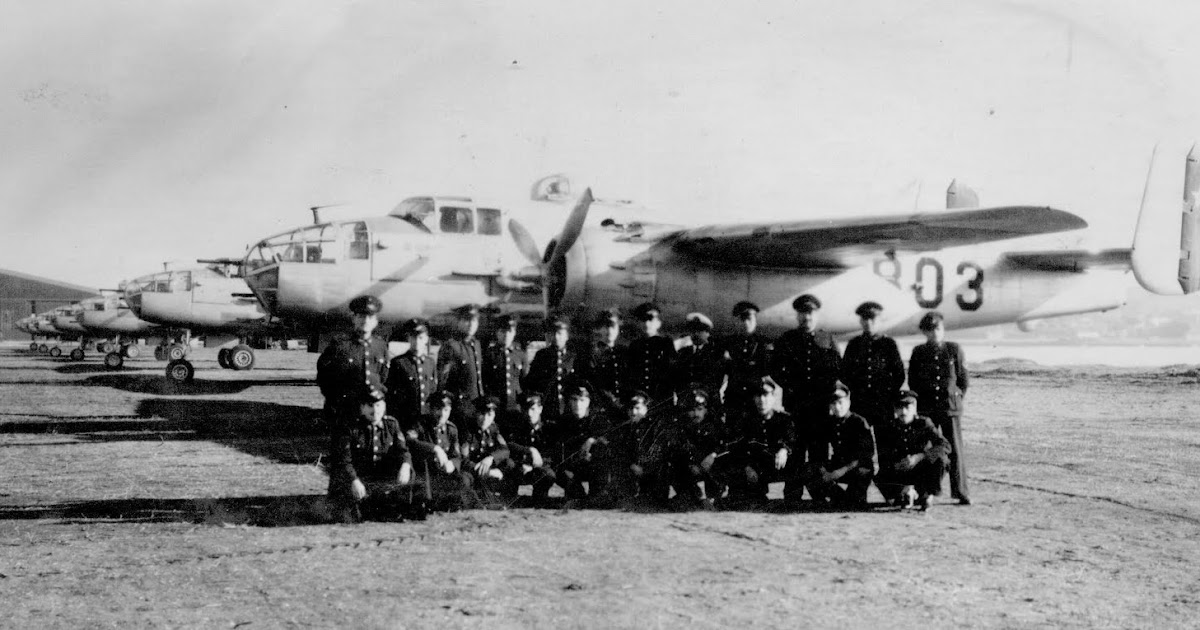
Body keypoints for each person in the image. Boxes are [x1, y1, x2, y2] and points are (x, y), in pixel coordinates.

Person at [326, 379, 414, 523]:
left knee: (408, 473)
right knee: (350, 517)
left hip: (378, 478)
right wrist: (354, 480)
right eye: (370, 406)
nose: (375, 410)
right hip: (359, 479)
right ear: (362, 407)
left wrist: (405, 466)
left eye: (379, 405)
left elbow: (403, 451)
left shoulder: (391, 424)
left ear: (384, 406)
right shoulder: (350, 428)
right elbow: (343, 460)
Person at [908, 311, 971, 505]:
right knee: (927, 449)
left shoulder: (954, 350)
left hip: (949, 407)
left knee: (955, 450)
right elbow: (913, 381)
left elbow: (963, 380)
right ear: (924, 332)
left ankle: (960, 491)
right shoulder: (919, 352)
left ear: (942, 329)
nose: (934, 333)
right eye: (930, 330)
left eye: (937, 329)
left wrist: (955, 397)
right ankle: (925, 491)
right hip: (928, 408)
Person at [719, 376, 795, 507]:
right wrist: (746, 466)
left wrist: (784, 449)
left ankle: (792, 498)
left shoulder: (784, 419)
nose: (762, 400)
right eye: (758, 396)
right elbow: (737, 445)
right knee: (727, 463)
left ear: (773, 397)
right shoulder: (746, 419)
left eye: (766, 395)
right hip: (756, 466)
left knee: (800, 467)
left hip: (777, 464)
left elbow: (792, 439)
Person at [771, 294, 842, 435]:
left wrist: (828, 387)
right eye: (803, 313)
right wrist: (789, 385)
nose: (807, 317)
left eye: (810, 313)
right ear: (797, 316)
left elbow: (838, 367)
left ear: (816, 315)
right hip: (796, 402)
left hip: (821, 403)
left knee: (819, 449)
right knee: (796, 449)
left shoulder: (828, 338)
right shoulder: (787, 340)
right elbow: (774, 367)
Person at [799, 382, 877, 509]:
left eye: (841, 403)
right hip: (837, 464)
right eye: (834, 403)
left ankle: (850, 498)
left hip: (855, 467)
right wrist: (824, 470)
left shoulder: (859, 422)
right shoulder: (828, 422)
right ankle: (836, 497)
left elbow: (865, 454)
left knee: (862, 475)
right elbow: (819, 449)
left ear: (848, 403)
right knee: (808, 470)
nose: (837, 407)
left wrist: (839, 472)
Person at [316, 295, 390, 428]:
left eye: (370, 317)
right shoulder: (340, 345)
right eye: (361, 316)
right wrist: (337, 402)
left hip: (372, 413)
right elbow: (324, 378)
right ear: (354, 318)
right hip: (345, 413)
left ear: (376, 321)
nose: (365, 321)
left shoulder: (380, 346)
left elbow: (383, 377)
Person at [874, 390, 950, 510]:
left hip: (920, 468)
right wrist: (896, 465)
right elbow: (884, 455)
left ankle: (927, 494)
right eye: (899, 408)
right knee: (880, 477)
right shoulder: (889, 427)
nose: (903, 412)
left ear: (914, 409)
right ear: (894, 409)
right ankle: (905, 492)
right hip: (901, 468)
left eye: (907, 407)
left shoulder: (924, 423)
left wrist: (919, 456)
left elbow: (945, 445)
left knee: (941, 460)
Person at [841, 301, 905, 427]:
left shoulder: (888, 344)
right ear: (861, 321)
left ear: (879, 320)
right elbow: (844, 373)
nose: (868, 322)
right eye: (865, 319)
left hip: (882, 403)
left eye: (872, 319)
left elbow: (899, 374)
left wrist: (887, 394)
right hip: (859, 403)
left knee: (884, 441)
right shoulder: (854, 344)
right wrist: (856, 391)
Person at [406, 390, 472, 511]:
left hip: (443, 473)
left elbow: (456, 455)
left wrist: (452, 464)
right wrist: (435, 449)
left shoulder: (451, 429)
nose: (442, 414)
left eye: (446, 410)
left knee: (464, 479)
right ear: (430, 409)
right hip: (425, 473)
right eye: (438, 409)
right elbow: (410, 441)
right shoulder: (420, 424)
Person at [662, 388, 725, 508]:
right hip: (690, 467)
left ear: (706, 410)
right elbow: (678, 447)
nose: (696, 413)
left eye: (700, 409)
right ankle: (689, 494)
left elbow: (723, 444)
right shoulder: (682, 426)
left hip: (709, 466)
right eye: (692, 410)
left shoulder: (715, 425)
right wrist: (691, 463)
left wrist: (713, 455)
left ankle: (714, 494)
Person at [606, 390, 670, 507]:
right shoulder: (625, 428)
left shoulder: (656, 427)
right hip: (633, 471)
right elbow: (619, 451)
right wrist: (631, 465)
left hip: (651, 473)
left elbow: (660, 452)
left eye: (637, 408)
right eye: (630, 409)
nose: (633, 412)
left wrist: (644, 468)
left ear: (646, 408)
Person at [552, 383, 612, 503]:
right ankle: (577, 493)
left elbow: (608, 440)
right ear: (569, 401)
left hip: (593, 466)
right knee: (561, 474)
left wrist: (592, 440)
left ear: (588, 402)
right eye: (574, 400)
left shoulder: (598, 419)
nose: (578, 404)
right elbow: (559, 448)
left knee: (596, 499)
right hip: (573, 467)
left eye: (582, 400)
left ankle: (597, 495)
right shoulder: (564, 422)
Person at [499, 391, 558, 505]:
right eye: (526, 409)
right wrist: (529, 451)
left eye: (533, 409)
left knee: (547, 476)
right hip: (521, 467)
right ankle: (510, 501)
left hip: (539, 467)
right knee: (509, 469)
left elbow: (552, 452)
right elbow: (510, 445)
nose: (529, 414)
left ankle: (539, 500)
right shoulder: (517, 427)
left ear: (540, 409)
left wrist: (534, 464)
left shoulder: (549, 428)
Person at [437, 303, 485, 430]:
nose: (471, 325)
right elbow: (443, 381)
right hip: (460, 408)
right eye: (466, 320)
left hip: (477, 406)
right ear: (459, 321)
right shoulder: (451, 347)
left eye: (474, 321)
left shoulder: (477, 345)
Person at [385, 318, 437, 433]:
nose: (417, 341)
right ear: (408, 338)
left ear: (426, 339)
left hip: (426, 422)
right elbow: (391, 395)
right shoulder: (399, 362)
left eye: (421, 338)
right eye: (413, 337)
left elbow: (433, 390)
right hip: (406, 420)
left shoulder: (430, 363)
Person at [723, 301, 773, 416]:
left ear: (755, 320)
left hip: (755, 401)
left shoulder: (763, 344)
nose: (746, 323)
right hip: (734, 399)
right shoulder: (728, 343)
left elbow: (766, 372)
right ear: (737, 322)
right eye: (742, 319)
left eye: (749, 319)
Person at [461, 395, 513, 504]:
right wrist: (488, 472)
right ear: (476, 414)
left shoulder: (494, 430)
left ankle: (506, 497)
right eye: (481, 414)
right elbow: (464, 460)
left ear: (493, 416)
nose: (485, 419)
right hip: (474, 471)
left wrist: (491, 458)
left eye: (489, 415)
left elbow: (505, 450)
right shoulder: (468, 432)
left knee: (509, 463)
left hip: (487, 468)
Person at [523, 314, 578, 418]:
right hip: (547, 411)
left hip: (568, 412)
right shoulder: (542, 355)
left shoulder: (573, 357)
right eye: (553, 333)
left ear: (567, 335)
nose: (556, 337)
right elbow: (531, 384)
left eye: (560, 333)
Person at [626, 302, 677, 406]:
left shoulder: (666, 343)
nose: (646, 324)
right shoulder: (635, 345)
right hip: (639, 400)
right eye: (642, 320)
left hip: (660, 399)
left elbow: (672, 372)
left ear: (658, 322)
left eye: (650, 319)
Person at [579, 308, 628, 415]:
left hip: (623, 408)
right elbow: (591, 383)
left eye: (613, 326)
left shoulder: (624, 353)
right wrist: (610, 400)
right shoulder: (591, 354)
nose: (609, 331)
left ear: (619, 328)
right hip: (600, 409)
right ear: (599, 328)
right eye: (605, 327)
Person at [675, 313, 726, 411]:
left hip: (709, 404)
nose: (695, 334)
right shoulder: (683, 353)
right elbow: (678, 380)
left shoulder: (716, 354)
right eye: (693, 330)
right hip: (687, 404)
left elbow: (716, 380)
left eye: (700, 330)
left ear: (708, 333)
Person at [482, 313, 527, 412]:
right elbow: (484, 381)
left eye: (510, 331)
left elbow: (524, 382)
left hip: (515, 406)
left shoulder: (520, 355)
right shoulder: (489, 355)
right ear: (497, 332)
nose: (506, 335)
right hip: (495, 407)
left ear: (514, 333)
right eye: (503, 331)